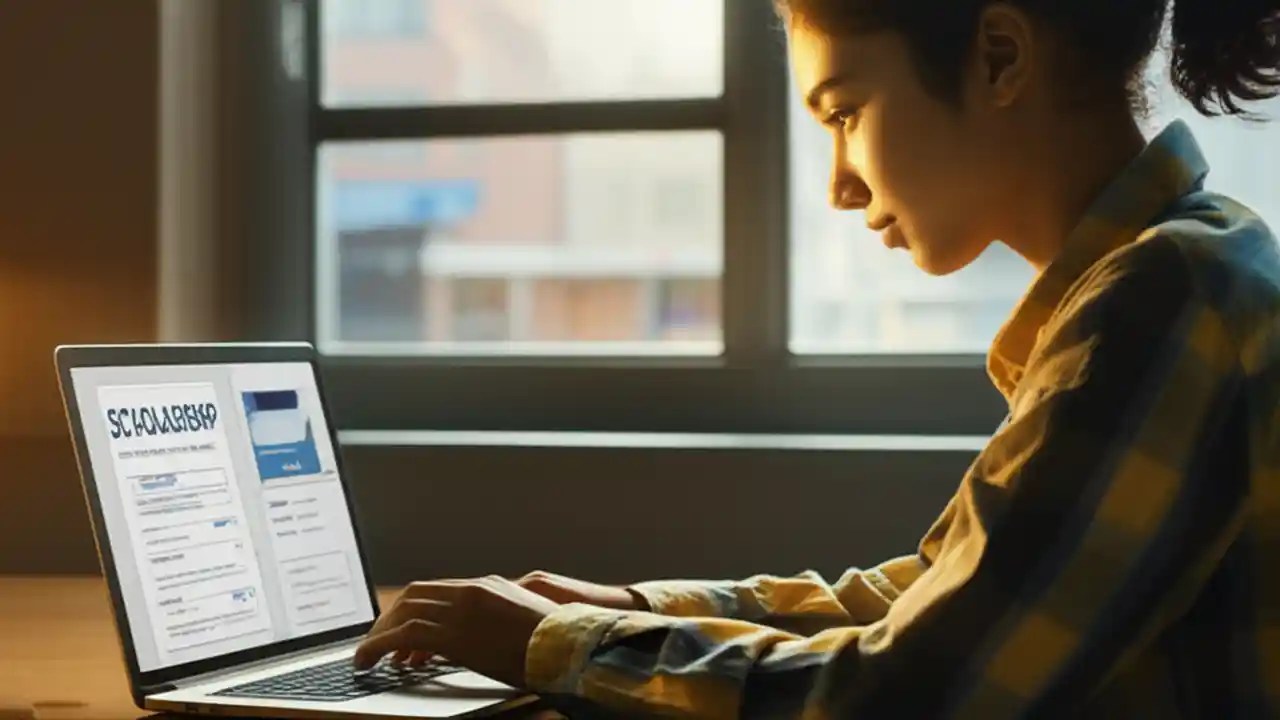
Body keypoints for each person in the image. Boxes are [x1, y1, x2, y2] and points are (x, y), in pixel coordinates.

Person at [353, 0, 1280, 716]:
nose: (839, 186)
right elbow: (935, 597)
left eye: (844, 112)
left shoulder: (1164, 296)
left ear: (1000, 57)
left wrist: (560, 644)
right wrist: (633, 605)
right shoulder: (1183, 262)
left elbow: (915, 695)